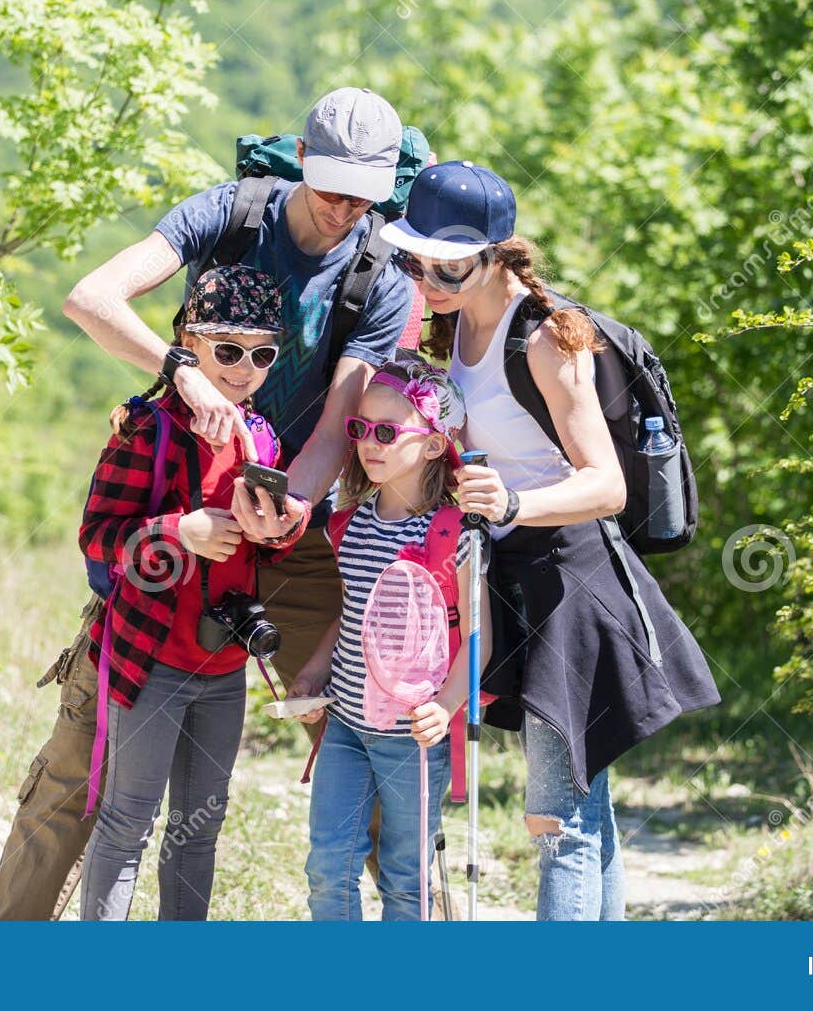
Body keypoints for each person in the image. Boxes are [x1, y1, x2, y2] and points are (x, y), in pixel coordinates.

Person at [0, 87, 417, 920]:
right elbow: (92, 298)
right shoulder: (229, 215)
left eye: (364, 197)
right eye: (331, 190)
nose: (345, 212)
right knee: (84, 761)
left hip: (289, 525)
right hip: (171, 512)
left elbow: (337, 423)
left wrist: (288, 504)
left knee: (369, 737)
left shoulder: (380, 274)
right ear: (300, 160)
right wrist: (178, 368)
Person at [380, 160, 721, 921]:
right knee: (582, 808)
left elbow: (607, 486)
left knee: (554, 817)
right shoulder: (455, 322)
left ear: (498, 251)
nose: (427, 275)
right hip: (510, 574)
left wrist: (513, 501)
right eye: (414, 257)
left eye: (447, 261)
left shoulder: (546, 339)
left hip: (573, 582)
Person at [76, 265, 307, 920]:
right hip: (150, 662)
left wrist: (282, 529)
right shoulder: (146, 430)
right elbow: (97, 537)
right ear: (189, 342)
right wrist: (181, 529)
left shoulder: (260, 435)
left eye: (263, 353)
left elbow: (265, 547)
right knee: (127, 825)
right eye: (227, 349)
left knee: (197, 832)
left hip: (225, 667)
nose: (244, 367)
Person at [291, 360, 487, 920]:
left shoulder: (454, 531)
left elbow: (480, 639)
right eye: (360, 430)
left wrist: (446, 705)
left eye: (387, 431)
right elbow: (355, 611)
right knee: (327, 868)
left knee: (406, 877)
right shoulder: (349, 523)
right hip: (346, 728)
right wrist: (314, 669)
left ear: (432, 444)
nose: (368, 444)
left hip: (413, 738)